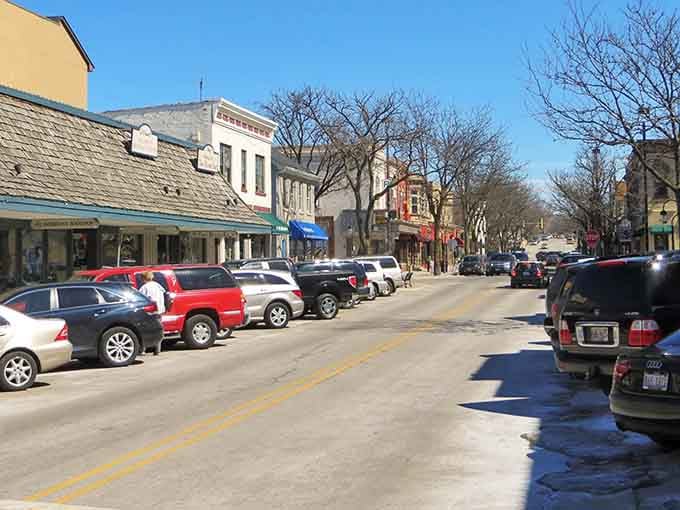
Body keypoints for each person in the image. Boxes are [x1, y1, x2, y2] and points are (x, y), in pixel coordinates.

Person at [139, 271, 165, 355]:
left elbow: (140, 298)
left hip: (149, 311)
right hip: (159, 310)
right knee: (158, 328)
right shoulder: (158, 286)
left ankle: (143, 349)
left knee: (144, 330)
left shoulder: (144, 287)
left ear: (144, 278)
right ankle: (157, 349)